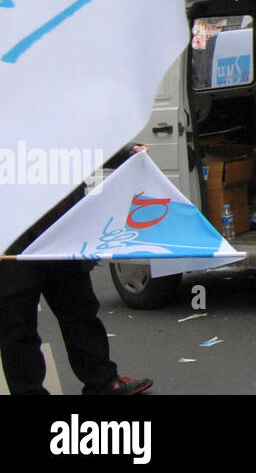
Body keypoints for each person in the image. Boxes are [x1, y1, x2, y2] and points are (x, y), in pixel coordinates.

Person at [0, 147, 154, 396]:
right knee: (17, 324)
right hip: (10, 238)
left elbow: (85, 139)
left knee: (80, 312)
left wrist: (126, 153)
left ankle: (103, 383)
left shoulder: (55, 114)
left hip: (62, 232)